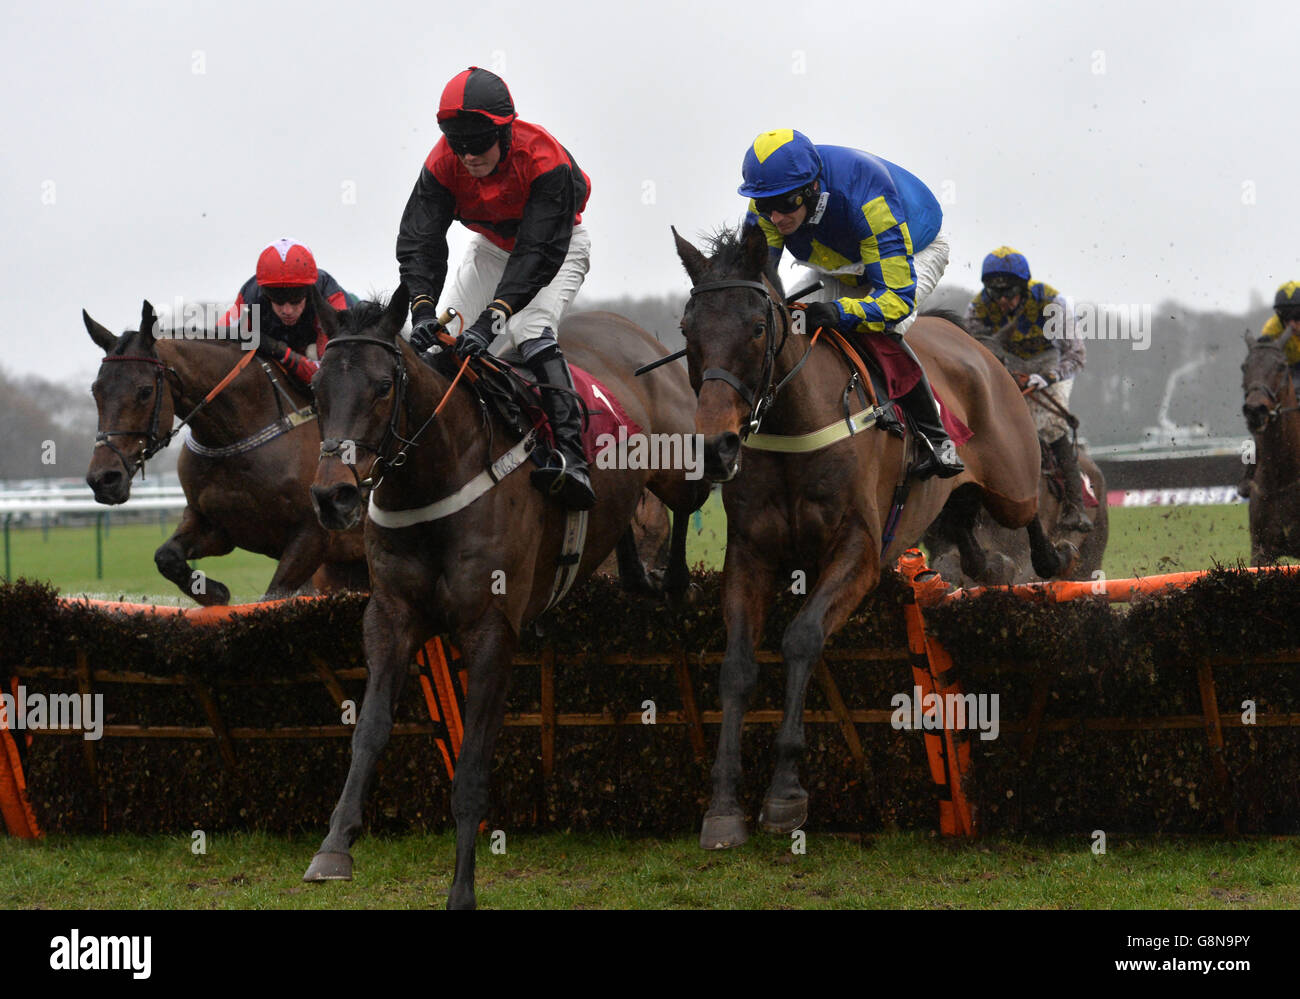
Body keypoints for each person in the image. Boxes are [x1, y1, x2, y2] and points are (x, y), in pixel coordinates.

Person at [396, 66, 595, 510]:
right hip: (491, 247)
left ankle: (572, 457)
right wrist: (423, 309)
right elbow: (420, 240)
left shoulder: (545, 159)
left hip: (556, 247)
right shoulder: (442, 163)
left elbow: (536, 253)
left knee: (529, 330)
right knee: (437, 345)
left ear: (504, 131)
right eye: (459, 144)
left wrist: (493, 319)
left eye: (478, 143)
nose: (468, 156)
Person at [738, 128, 961, 479]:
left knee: (877, 330)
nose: (777, 218)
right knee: (784, 326)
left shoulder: (867, 195)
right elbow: (756, 277)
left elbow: (894, 301)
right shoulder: (766, 199)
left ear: (812, 188)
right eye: (767, 206)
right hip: (838, 262)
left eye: (786, 204)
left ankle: (937, 439)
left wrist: (841, 312)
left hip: (911, 253)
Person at [965, 247, 1091, 533]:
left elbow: (1076, 355)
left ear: (1023, 288)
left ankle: (1075, 505)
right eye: (996, 295)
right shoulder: (977, 308)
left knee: (1050, 425)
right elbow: (971, 353)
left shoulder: (1051, 303)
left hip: (1051, 364)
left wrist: (1043, 378)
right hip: (1005, 367)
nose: (1003, 302)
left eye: (1009, 294)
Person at [220, 237, 356, 388]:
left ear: (308, 291)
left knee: (315, 354)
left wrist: (280, 351)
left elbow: (334, 376)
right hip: (295, 353)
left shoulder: (330, 298)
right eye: (277, 300)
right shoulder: (250, 297)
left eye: (296, 300)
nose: (287, 311)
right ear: (265, 293)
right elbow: (218, 343)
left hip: (320, 351)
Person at [1239, 280, 1300, 496]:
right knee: (1265, 414)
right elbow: (1266, 364)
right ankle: (1250, 472)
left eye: (1299, 317)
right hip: (1287, 369)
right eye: (1289, 318)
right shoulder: (1271, 329)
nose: (1294, 324)